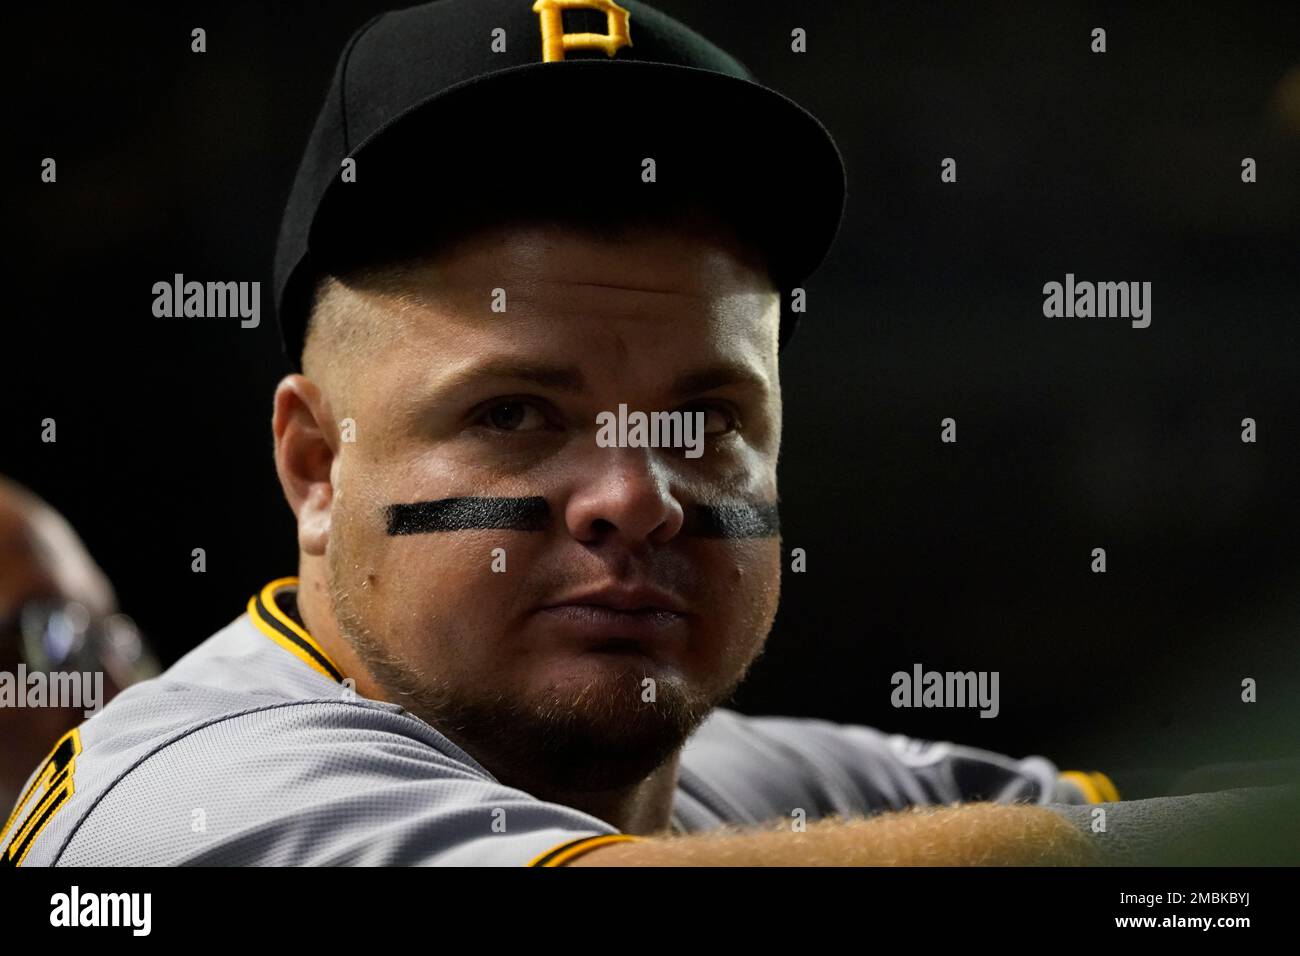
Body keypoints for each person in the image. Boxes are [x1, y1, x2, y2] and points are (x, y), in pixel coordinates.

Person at [3, 0, 1116, 867]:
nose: (637, 496)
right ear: (315, 466)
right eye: (513, 413)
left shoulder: (756, 773)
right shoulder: (176, 797)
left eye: (706, 417)